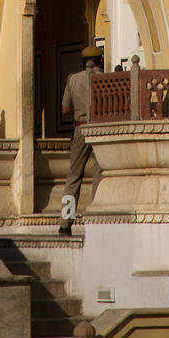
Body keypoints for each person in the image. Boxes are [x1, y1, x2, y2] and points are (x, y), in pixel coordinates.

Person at [58, 45, 103, 235]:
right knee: (100, 175)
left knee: (73, 177)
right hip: (101, 129)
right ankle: (97, 218)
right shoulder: (105, 79)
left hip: (79, 128)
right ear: (100, 60)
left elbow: (65, 109)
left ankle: (65, 223)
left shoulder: (73, 79)